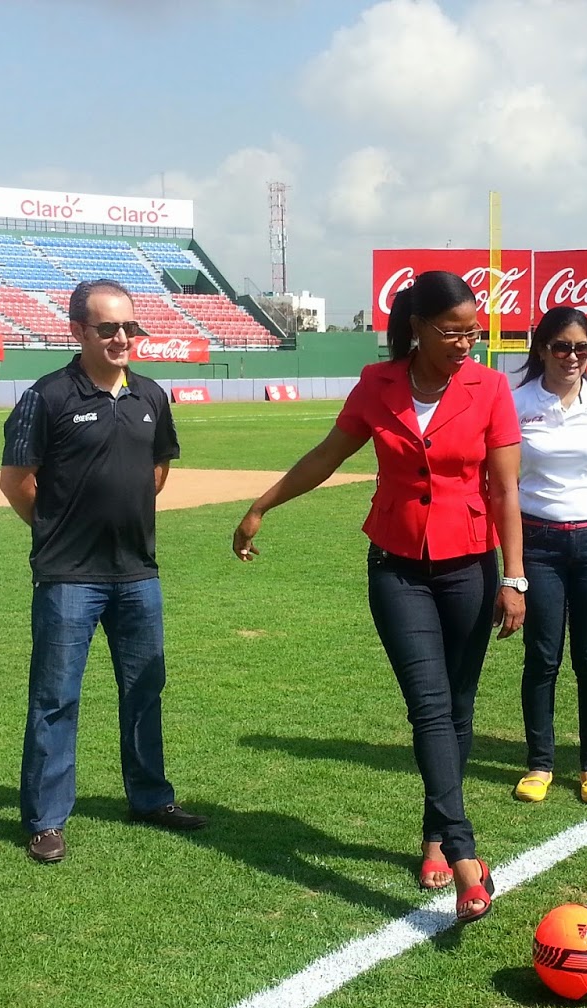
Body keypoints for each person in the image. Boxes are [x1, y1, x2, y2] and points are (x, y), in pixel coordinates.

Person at [232, 270, 523, 923]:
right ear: (417, 328)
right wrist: (261, 506)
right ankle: (467, 858)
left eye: (473, 333)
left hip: (470, 568)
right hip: (396, 566)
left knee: (458, 707)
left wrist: (515, 576)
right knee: (428, 705)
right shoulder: (378, 384)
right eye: (452, 333)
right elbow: (328, 455)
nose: (465, 345)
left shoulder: (491, 387)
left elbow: (506, 490)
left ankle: (435, 836)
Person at [0, 279, 202, 866]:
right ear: (77, 332)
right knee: (55, 698)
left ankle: (151, 798)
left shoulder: (151, 395)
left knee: (144, 690)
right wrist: (60, 528)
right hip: (68, 576)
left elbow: (158, 468)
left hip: (138, 572)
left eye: (129, 328)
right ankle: (44, 820)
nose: (122, 338)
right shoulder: (47, 396)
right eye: (108, 328)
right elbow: (18, 481)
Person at [509, 306, 587, 807]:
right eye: (562, 347)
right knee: (542, 658)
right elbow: (505, 480)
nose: (573, 357)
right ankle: (540, 764)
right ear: (542, 349)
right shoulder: (516, 401)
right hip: (537, 544)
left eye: (582, 348)